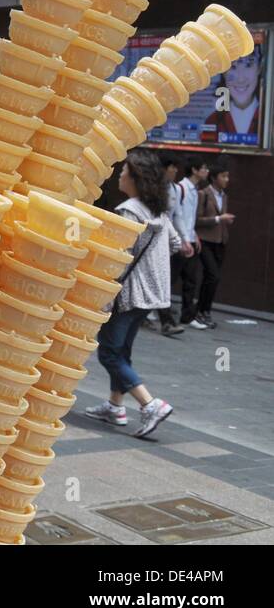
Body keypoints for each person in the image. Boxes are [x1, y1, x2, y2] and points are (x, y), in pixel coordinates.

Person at [86, 151, 179, 437]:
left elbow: (119, 257)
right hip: (153, 293)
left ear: (136, 179)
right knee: (122, 349)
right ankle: (115, 406)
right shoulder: (157, 210)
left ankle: (150, 404)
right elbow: (175, 243)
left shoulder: (129, 210)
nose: (119, 174)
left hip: (130, 292)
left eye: (124, 171)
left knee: (109, 353)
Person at [194, 160, 234, 329]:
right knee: (213, 275)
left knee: (212, 279)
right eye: (224, 176)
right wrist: (219, 219)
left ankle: (204, 311)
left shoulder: (224, 196)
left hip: (220, 241)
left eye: (227, 177)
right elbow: (197, 220)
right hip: (205, 241)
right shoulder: (204, 194)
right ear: (214, 178)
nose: (227, 180)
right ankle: (201, 311)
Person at [152, 151, 186, 335]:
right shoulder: (152, 188)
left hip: (166, 241)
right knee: (159, 280)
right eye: (172, 167)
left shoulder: (174, 189)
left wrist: (184, 239)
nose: (175, 171)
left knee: (161, 280)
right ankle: (166, 321)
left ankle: (159, 317)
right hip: (153, 240)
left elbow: (177, 215)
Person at [203, 44, 262, 142]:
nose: (240, 79)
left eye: (248, 65)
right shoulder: (212, 121)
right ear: (224, 72)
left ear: (259, 68)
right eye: (233, 67)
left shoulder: (268, 121)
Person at [176, 156, 208, 329]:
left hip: (189, 239)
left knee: (190, 280)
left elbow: (189, 218)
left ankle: (187, 316)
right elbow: (177, 215)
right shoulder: (182, 188)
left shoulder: (195, 190)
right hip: (180, 242)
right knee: (171, 278)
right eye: (203, 168)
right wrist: (182, 239)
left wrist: (194, 235)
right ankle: (154, 311)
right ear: (194, 170)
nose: (206, 171)